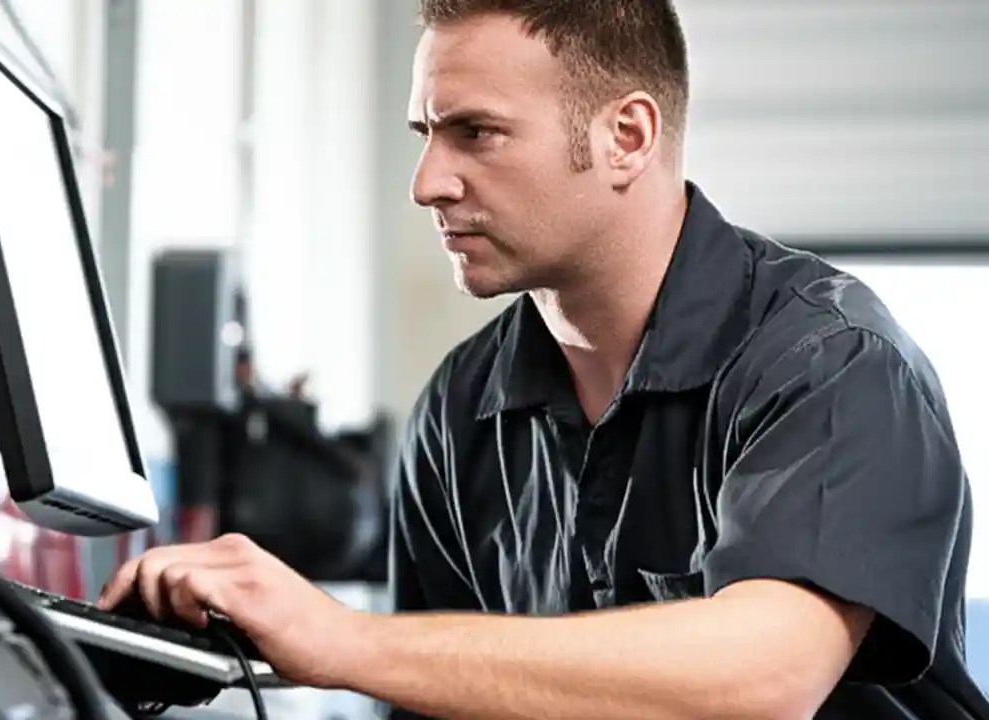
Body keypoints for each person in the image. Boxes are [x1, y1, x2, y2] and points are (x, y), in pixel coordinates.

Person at [99, 1, 989, 717]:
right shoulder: (459, 409)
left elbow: (766, 680)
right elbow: (442, 697)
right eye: (425, 133)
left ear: (627, 137)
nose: (428, 183)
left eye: (476, 133)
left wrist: (339, 641)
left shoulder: (830, 362)